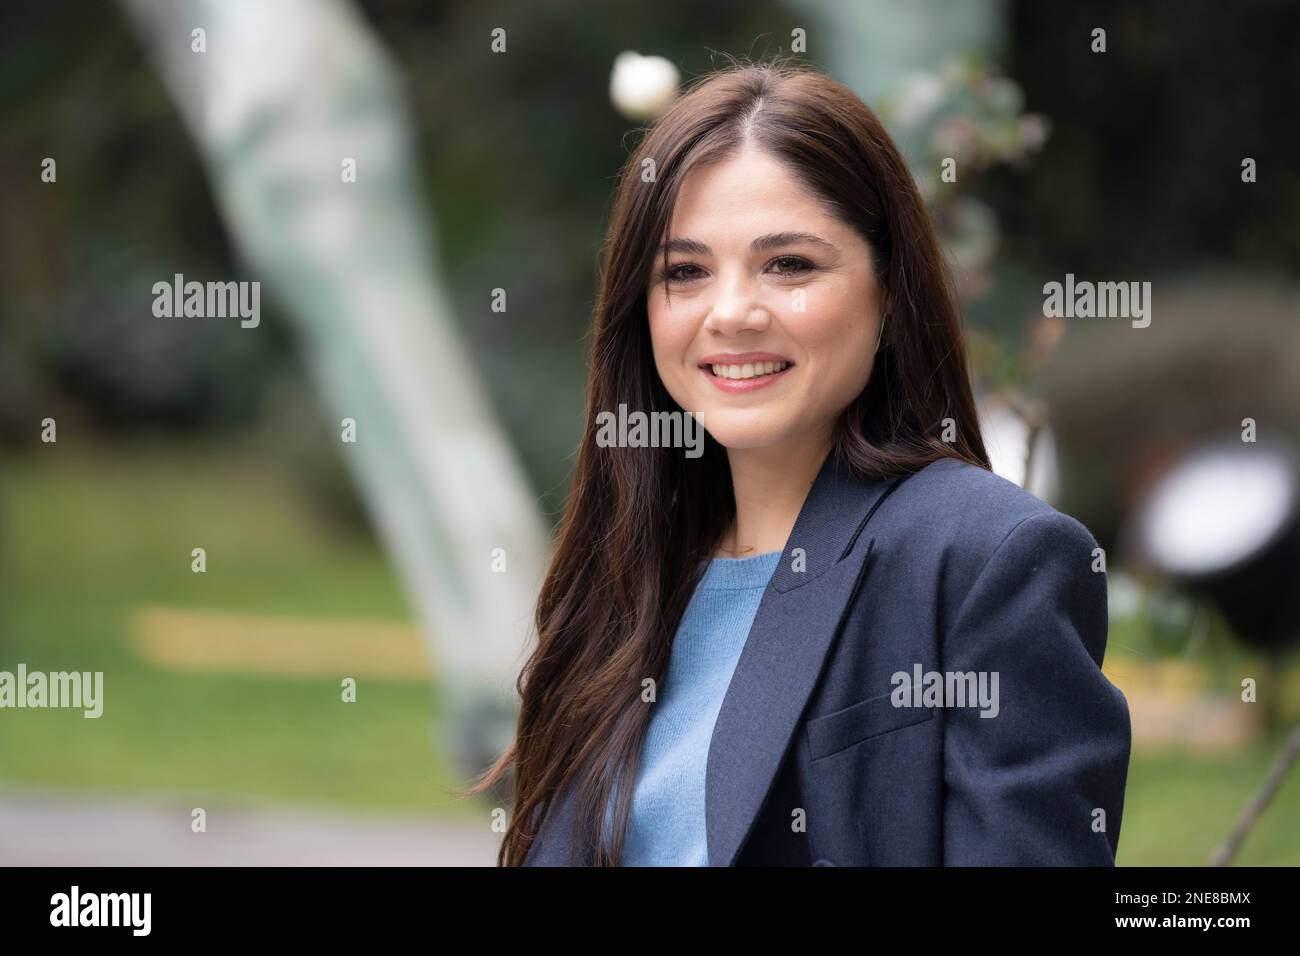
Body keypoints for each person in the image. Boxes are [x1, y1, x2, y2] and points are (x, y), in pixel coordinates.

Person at [467, 57, 1131, 866]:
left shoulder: (988, 561)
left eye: (790, 265)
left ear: (890, 293)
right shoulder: (624, 577)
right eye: (685, 272)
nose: (733, 313)